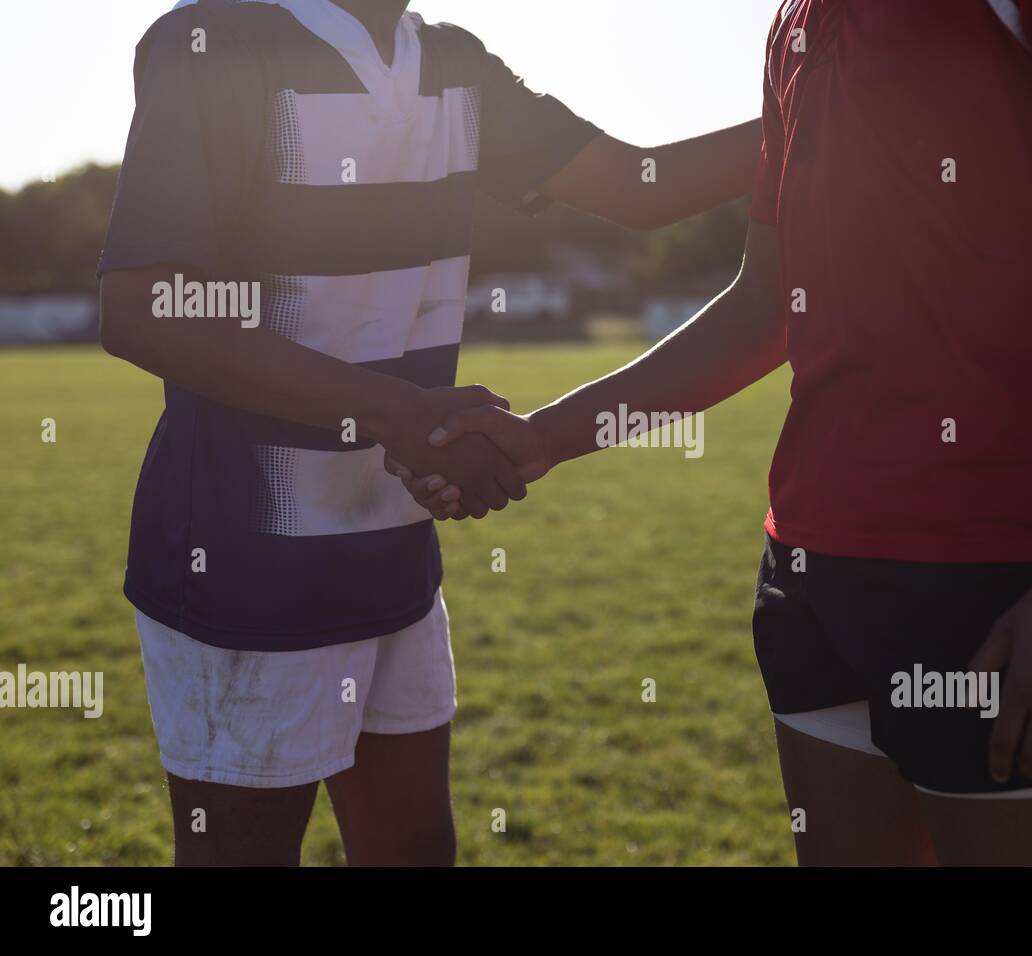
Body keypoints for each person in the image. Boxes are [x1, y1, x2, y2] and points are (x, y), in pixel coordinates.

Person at [397, 0, 1032, 865]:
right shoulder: (797, 21)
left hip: (1001, 585)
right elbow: (767, 304)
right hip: (809, 576)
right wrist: (546, 438)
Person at [98, 0, 759, 866]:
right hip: (243, 567)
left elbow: (644, 186)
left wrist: (822, 102)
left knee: (414, 850)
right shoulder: (215, 39)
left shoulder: (454, 63)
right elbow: (144, 308)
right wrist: (396, 411)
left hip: (391, 547)